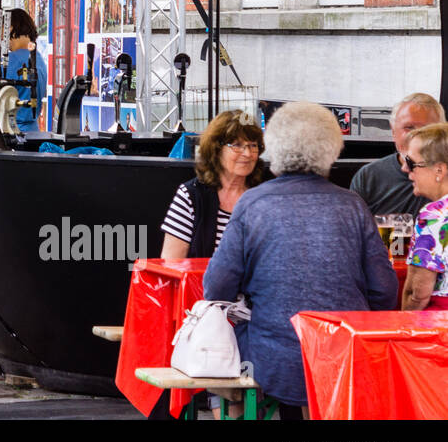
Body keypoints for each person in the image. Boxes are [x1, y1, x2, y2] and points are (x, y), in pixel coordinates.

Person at [204, 102, 399, 418]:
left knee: (227, 342)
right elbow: (385, 291)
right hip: (345, 357)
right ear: (333, 147)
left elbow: (216, 288)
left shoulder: (252, 204)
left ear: (273, 146)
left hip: (275, 360)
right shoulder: (353, 206)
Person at [160, 110, 268, 260]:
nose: (248, 154)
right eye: (237, 145)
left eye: (253, 145)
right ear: (216, 150)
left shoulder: (266, 196)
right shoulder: (191, 196)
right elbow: (171, 264)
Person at [350, 93, 444, 217]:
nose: (415, 136)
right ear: (393, 131)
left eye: (427, 130)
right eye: (409, 127)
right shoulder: (369, 177)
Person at [400, 122, 448, 310]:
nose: (404, 169)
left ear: (439, 170)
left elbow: (417, 294)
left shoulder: (435, 215)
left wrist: (402, 327)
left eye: (411, 163)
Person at [3, 9, 46, 132]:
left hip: (13, 131)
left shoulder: (10, 60)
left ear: (10, 28)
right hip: (34, 130)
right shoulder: (39, 58)